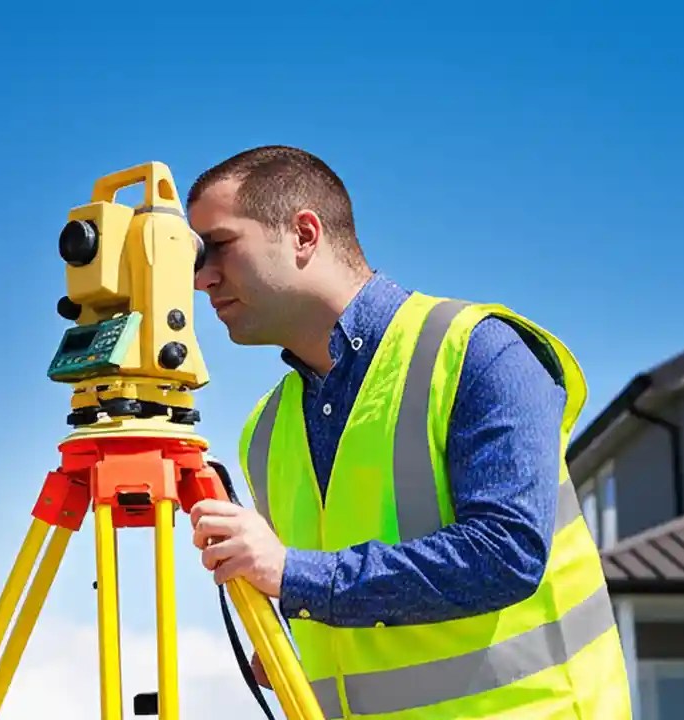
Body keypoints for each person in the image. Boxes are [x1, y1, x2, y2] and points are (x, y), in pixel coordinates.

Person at [184, 145, 631, 719]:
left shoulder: (476, 351)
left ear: (303, 233)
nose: (203, 279)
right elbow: (336, 593)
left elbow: (506, 553)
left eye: (217, 246)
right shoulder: (265, 431)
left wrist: (293, 575)